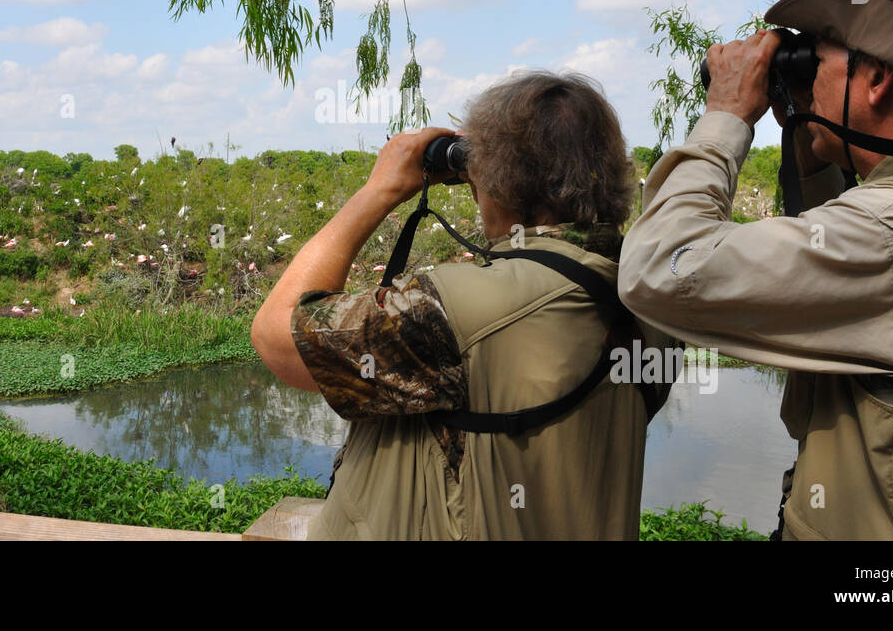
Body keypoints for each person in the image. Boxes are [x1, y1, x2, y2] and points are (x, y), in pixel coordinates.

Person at [617, 0, 893, 540]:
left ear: (876, 77)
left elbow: (662, 268)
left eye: (820, 58)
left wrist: (726, 116)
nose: (809, 73)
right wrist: (808, 138)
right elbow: (834, 282)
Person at [251, 70, 674, 539]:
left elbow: (276, 338)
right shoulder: (653, 303)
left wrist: (380, 190)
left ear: (494, 179)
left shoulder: (456, 311)